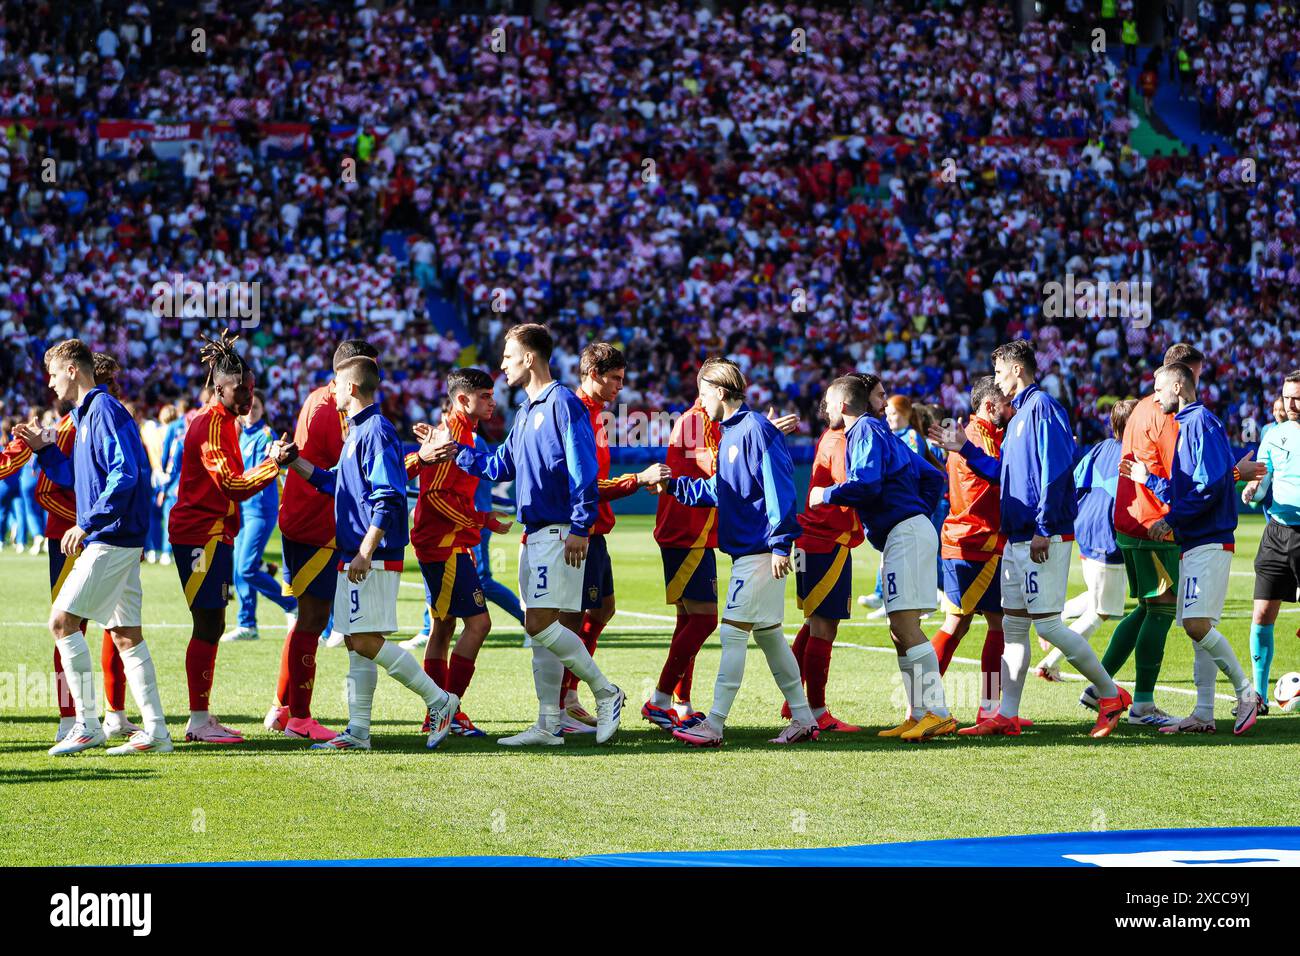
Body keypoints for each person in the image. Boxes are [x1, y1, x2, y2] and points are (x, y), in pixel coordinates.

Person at [432, 324, 626, 746]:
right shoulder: (525, 412)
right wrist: (455, 451)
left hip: (559, 532)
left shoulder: (563, 404)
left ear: (530, 358)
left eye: (507, 355)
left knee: (539, 624)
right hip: (536, 532)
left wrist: (580, 525)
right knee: (542, 631)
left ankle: (606, 691)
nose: (502, 363)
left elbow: (584, 470)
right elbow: (500, 465)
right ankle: (548, 724)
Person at [944, 340, 1131, 738]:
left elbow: (1057, 469)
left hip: (1039, 535)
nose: (996, 381)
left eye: (998, 372)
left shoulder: (1042, 408)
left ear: (1016, 369)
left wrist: (1045, 527)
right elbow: (1003, 475)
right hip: (1016, 536)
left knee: (1046, 626)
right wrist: (964, 449)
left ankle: (1110, 693)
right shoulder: (1019, 417)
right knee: (1014, 627)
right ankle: (1005, 714)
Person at [284, 355, 460, 752]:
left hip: (372, 555)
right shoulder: (360, 431)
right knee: (354, 640)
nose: (333, 392)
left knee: (364, 640)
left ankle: (439, 701)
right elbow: (335, 484)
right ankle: (359, 731)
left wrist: (365, 551)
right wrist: (295, 461)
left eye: (336, 384)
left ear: (350, 388)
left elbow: (389, 497)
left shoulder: (375, 431)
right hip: (357, 553)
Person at [17, 339, 171, 756]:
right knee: (125, 635)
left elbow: (125, 475)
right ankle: (157, 732)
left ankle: (86, 724)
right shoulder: (87, 414)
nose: (49, 385)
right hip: (118, 535)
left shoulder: (102, 410)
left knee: (62, 623)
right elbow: (74, 477)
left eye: (52, 375)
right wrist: (44, 450)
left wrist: (86, 525)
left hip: (112, 536)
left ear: (72, 370)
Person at [667, 358, 817, 747]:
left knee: (732, 634)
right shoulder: (732, 432)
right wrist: (673, 488)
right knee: (769, 636)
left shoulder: (754, 429)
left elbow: (780, 487)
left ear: (719, 391)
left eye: (702, 394)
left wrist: (782, 543)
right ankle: (803, 718)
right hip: (755, 553)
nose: (700, 403)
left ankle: (713, 724)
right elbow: (721, 491)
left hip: (760, 553)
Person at [810, 374, 954, 741]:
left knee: (905, 625)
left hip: (905, 532)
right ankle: (918, 713)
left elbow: (867, 483)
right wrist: (913, 512)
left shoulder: (865, 430)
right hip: (906, 531)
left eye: (828, 402)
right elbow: (933, 478)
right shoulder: (883, 433)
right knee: (897, 629)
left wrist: (826, 495)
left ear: (842, 405)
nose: (825, 409)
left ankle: (938, 711)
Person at [1122, 363, 1264, 734]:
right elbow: (1194, 487)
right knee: (1199, 626)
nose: (1155, 396)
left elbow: (1208, 487)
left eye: (1158, 388)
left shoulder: (1198, 422)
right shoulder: (1191, 423)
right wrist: (1150, 480)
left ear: (1177, 384)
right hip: (1197, 540)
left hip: (1208, 539)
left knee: (1196, 624)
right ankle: (1203, 712)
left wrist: (1171, 520)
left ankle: (1246, 692)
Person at [168, 331, 285, 745]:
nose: (249, 394)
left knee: (213, 622)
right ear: (220, 387)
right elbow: (232, 485)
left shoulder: (223, 423)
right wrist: (272, 464)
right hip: (200, 536)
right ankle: (198, 721)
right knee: (207, 622)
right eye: (241, 387)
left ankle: (201, 716)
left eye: (252, 387)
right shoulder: (213, 425)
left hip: (211, 533)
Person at [264, 339, 379, 743]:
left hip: (309, 523)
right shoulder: (331, 410)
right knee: (312, 620)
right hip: (316, 527)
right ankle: (300, 717)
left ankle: (283, 709)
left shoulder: (321, 401)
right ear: (349, 375)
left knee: (306, 620)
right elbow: (354, 469)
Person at [557, 343, 667, 732]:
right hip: (579, 530)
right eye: (616, 378)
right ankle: (561, 703)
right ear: (593, 374)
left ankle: (567, 696)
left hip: (595, 531)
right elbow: (587, 483)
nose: (622, 386)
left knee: (602, 611)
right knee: (568, 620)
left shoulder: (597, 415)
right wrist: (637, 480)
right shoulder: (575, 413)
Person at [407, 370, 514, 737]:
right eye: (485, 395)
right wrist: (481, 519)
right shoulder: (450, 435)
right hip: (443, 543)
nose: (492, 401)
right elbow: (435, 495)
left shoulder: (463, 433)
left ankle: (438, 711)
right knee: (479, 623)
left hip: (446, 542)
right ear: (463, 400)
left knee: (443, 626)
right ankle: (447, 708)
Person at [37, 353, 137, 742]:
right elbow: (49, 489)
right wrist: (84, 522)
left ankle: (115, 714)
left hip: (101, 533)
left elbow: (118, 475)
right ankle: (72, 717)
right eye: (109, 380)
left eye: (114, 381)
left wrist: (93, 521)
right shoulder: (73, 423)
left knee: (117, 627)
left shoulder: (99, 414)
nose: (114, 388)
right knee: (67, 625)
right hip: (75, 540)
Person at [1035, 401, 1145, 714]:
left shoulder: (1099, 449)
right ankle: (1050, 660)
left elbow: (1077, 482)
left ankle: (1050, 622)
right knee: (1102, 612)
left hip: (1085, 528)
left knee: (1096, 596)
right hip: (1108, 534)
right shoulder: (1132, 455)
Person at [927, 376, 1014, 724]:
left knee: (994, 624)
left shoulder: (983, 434)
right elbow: (998, 474)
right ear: (989, 406)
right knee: (960, 623)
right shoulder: (977, 436)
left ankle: (987, 708)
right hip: (975, 543)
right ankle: (922, 703)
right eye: (1007, 403)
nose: (1012, 409)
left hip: (976, 542)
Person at [787, 380, 867, 732]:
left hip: (812, 539)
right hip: (825, 541)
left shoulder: (829, 437)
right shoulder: (841, 441)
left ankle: (794, 702)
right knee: (824, 627)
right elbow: (852, 489)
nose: (824, 408)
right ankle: (817, 711)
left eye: (829, 402)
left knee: (811, 623)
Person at [1242, 370, 1300, 705]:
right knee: (1262, 613)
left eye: (1298, 397)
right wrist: (1253, 486)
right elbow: (1262, 477)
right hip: (1277, 533)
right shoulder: (1274, 435)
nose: (1291, 404)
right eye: (1287, 396)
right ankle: (1259, 696)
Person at [223, 392, 298, 642]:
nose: (251, 410)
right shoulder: (242, 435)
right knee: (239, 568)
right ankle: (247, 624)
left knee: (246, 568)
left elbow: (266, 467)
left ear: (263, 409)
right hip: (243, 509)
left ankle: (291, 604)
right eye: (247, 406)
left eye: (256, 406)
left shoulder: (266, 435)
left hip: (260, 509)